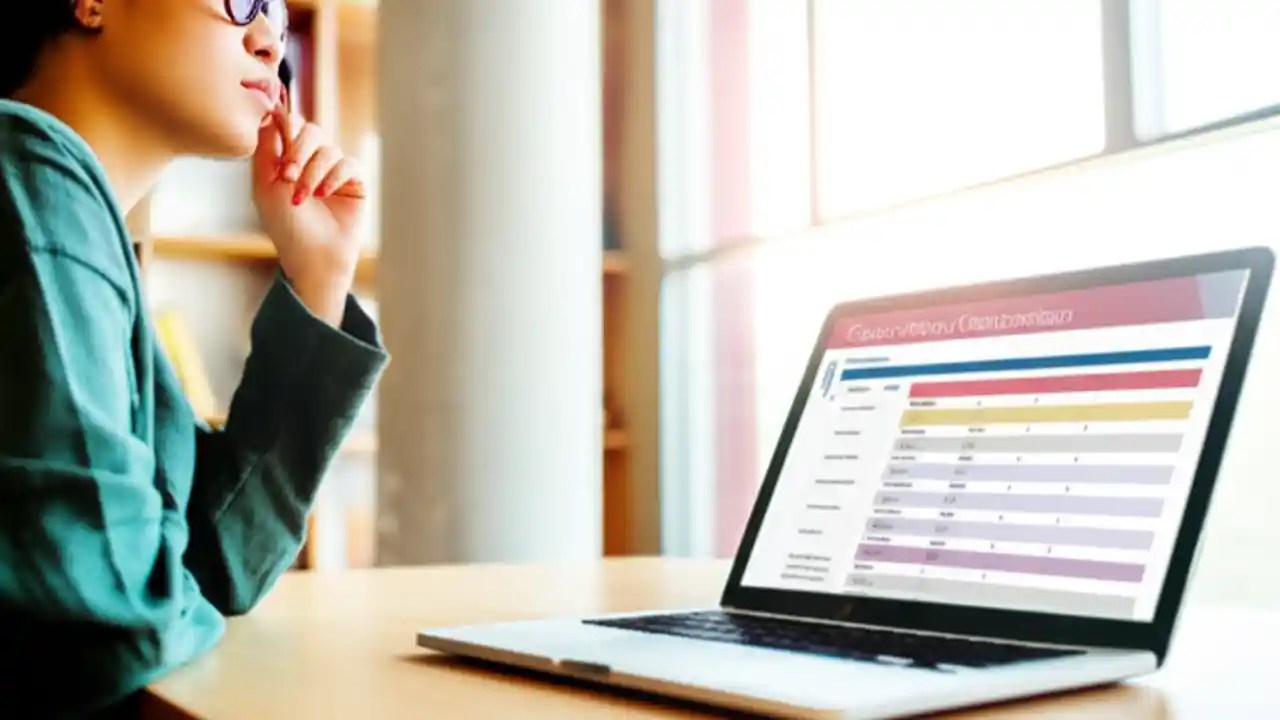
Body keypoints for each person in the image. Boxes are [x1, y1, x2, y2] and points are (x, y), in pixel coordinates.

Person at [0, 1, 389, 714]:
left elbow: (214, 564)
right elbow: (114, 614)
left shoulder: (68, 211)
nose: (270, 37)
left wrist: (318, 278)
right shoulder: (27, 188)